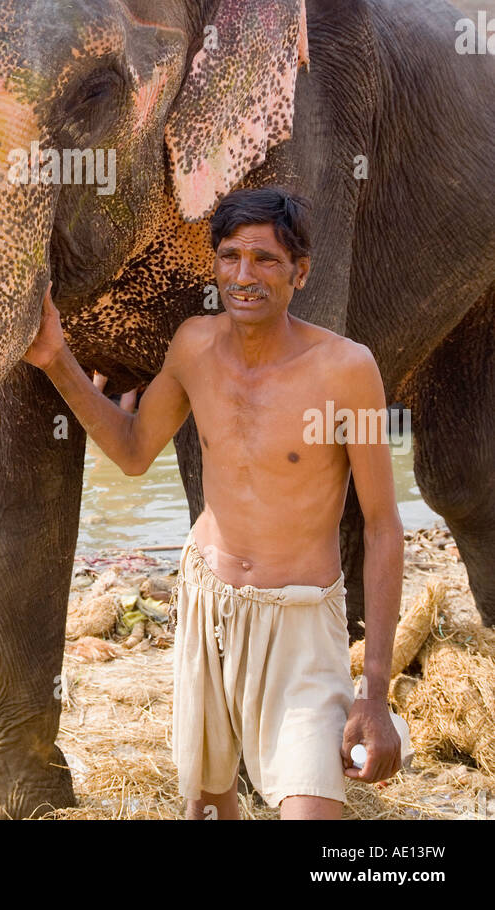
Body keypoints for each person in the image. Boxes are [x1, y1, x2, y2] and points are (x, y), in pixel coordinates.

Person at [23, 186, 404, 821]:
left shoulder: (348, 370)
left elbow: (385, 527)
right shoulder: (195, 346)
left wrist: (376, 693)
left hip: (302, 625)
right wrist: (56, 357)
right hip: (209, 606)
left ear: (300, 272)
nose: (244, 276)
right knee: (206, 806)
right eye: (230, 257)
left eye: (266, 260)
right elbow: (134, 450)